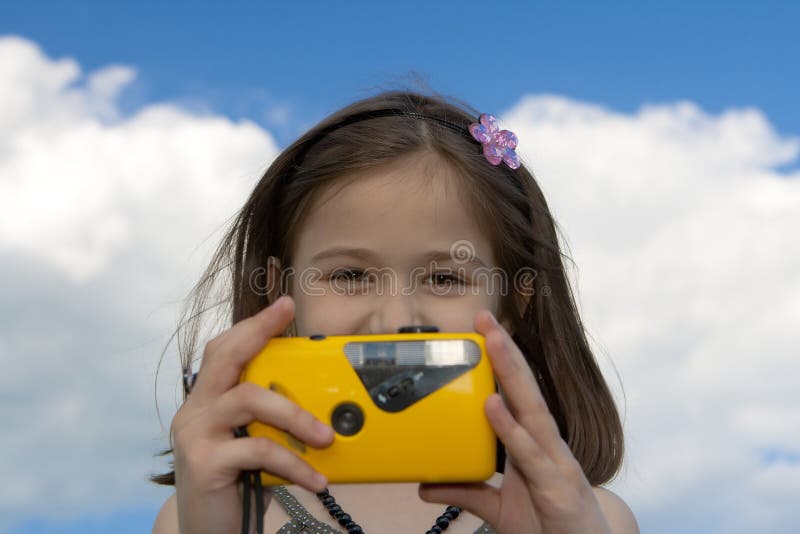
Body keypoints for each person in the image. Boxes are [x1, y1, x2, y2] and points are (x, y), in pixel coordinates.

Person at [151, 89, 640, 533]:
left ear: (514, 303)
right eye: (348, 276)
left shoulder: (590, 519)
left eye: (445, 278)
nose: (396, 320)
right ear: (282, 293)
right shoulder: (204, 516)